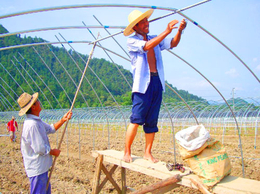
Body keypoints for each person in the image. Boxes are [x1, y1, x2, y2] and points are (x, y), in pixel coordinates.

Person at [123, 9, 186, 163]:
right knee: (136, 119)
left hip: (156, 80)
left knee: (152, 120)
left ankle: (147, 152)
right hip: (142, 84)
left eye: (146, 21)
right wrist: (166, 31)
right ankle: (127, 151)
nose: (146, 24)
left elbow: (172, 43)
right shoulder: (132, 41)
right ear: (135, 27)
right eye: (142, 22)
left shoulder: (155, 38)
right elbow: (146, 46)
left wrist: (179, 31)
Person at [17, 92, 72, 194]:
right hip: (37, 169)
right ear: (33, 107)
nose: (39, 102)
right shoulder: (32, 125)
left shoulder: (37, 122)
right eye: (36, 101)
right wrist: (53, 152)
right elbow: (40, 148)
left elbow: (50, 129)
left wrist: (63, 120)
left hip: (41, 168)